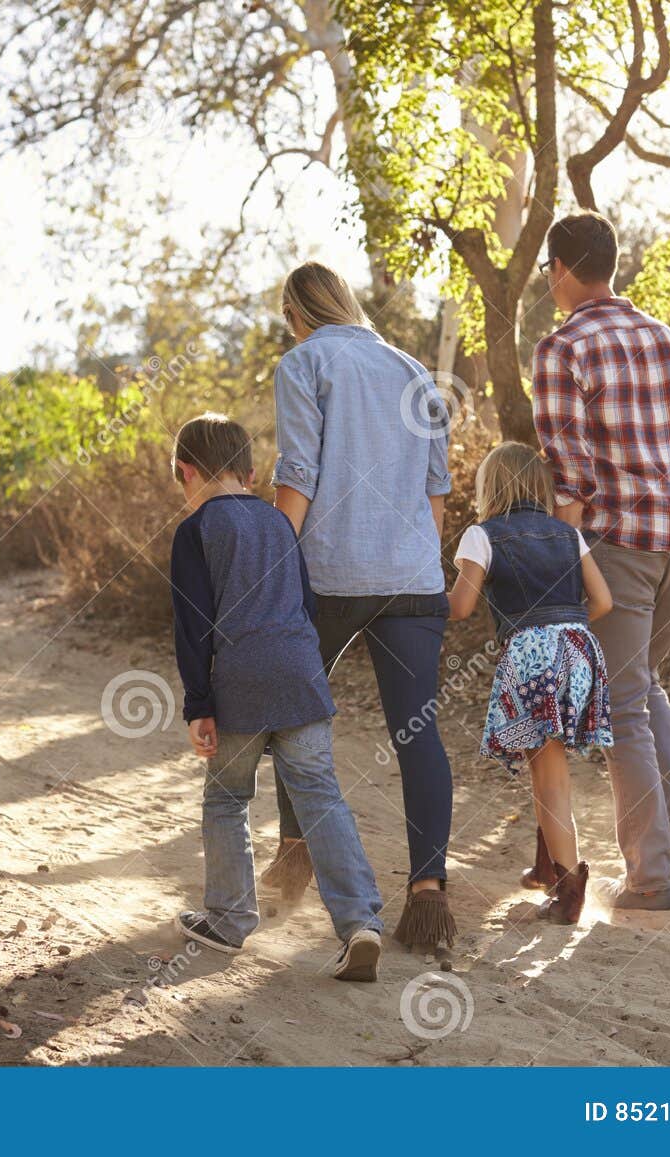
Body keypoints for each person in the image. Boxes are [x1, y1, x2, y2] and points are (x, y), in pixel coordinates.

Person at [531, 210, 670, 916]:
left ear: (560, 269)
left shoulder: (563, 349)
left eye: (546, 272)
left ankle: (649, 877)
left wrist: (562, 572)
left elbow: (572, 478)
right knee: (637, 683)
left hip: (619, 550)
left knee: (620, 705)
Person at [263, 261, 458, 951]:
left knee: (291, 713)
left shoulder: (304, 363)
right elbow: (438, 488)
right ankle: (428, 894)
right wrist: (419, 567)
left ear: (296, 314)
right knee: (418, 732)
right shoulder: (411, 369)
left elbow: (299, 475)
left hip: (329, 574)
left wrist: (272, 565)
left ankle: (295, 857)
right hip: (413, 575)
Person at [167, 412, 385, 981]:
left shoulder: (195, 532)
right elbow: (307, 606)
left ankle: (230, 918)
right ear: (252, 471)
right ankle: (360, 923)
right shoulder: (279, 524)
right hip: (301, 676)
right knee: (321, 797)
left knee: (227, 796)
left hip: (241, 680)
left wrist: (198, 705)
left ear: (185, 472)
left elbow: (192, 626)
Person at [446, 442, 614, 923]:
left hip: (531, 656)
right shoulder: (567, 534)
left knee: (548, 772)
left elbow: (460, 607)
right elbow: (602, 602)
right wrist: (565, 628)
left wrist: (411, 599)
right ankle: (549, 867)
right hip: (580, 650)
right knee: (547, 764)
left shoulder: (483, 535)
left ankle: (568, 885)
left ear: (489, 487)